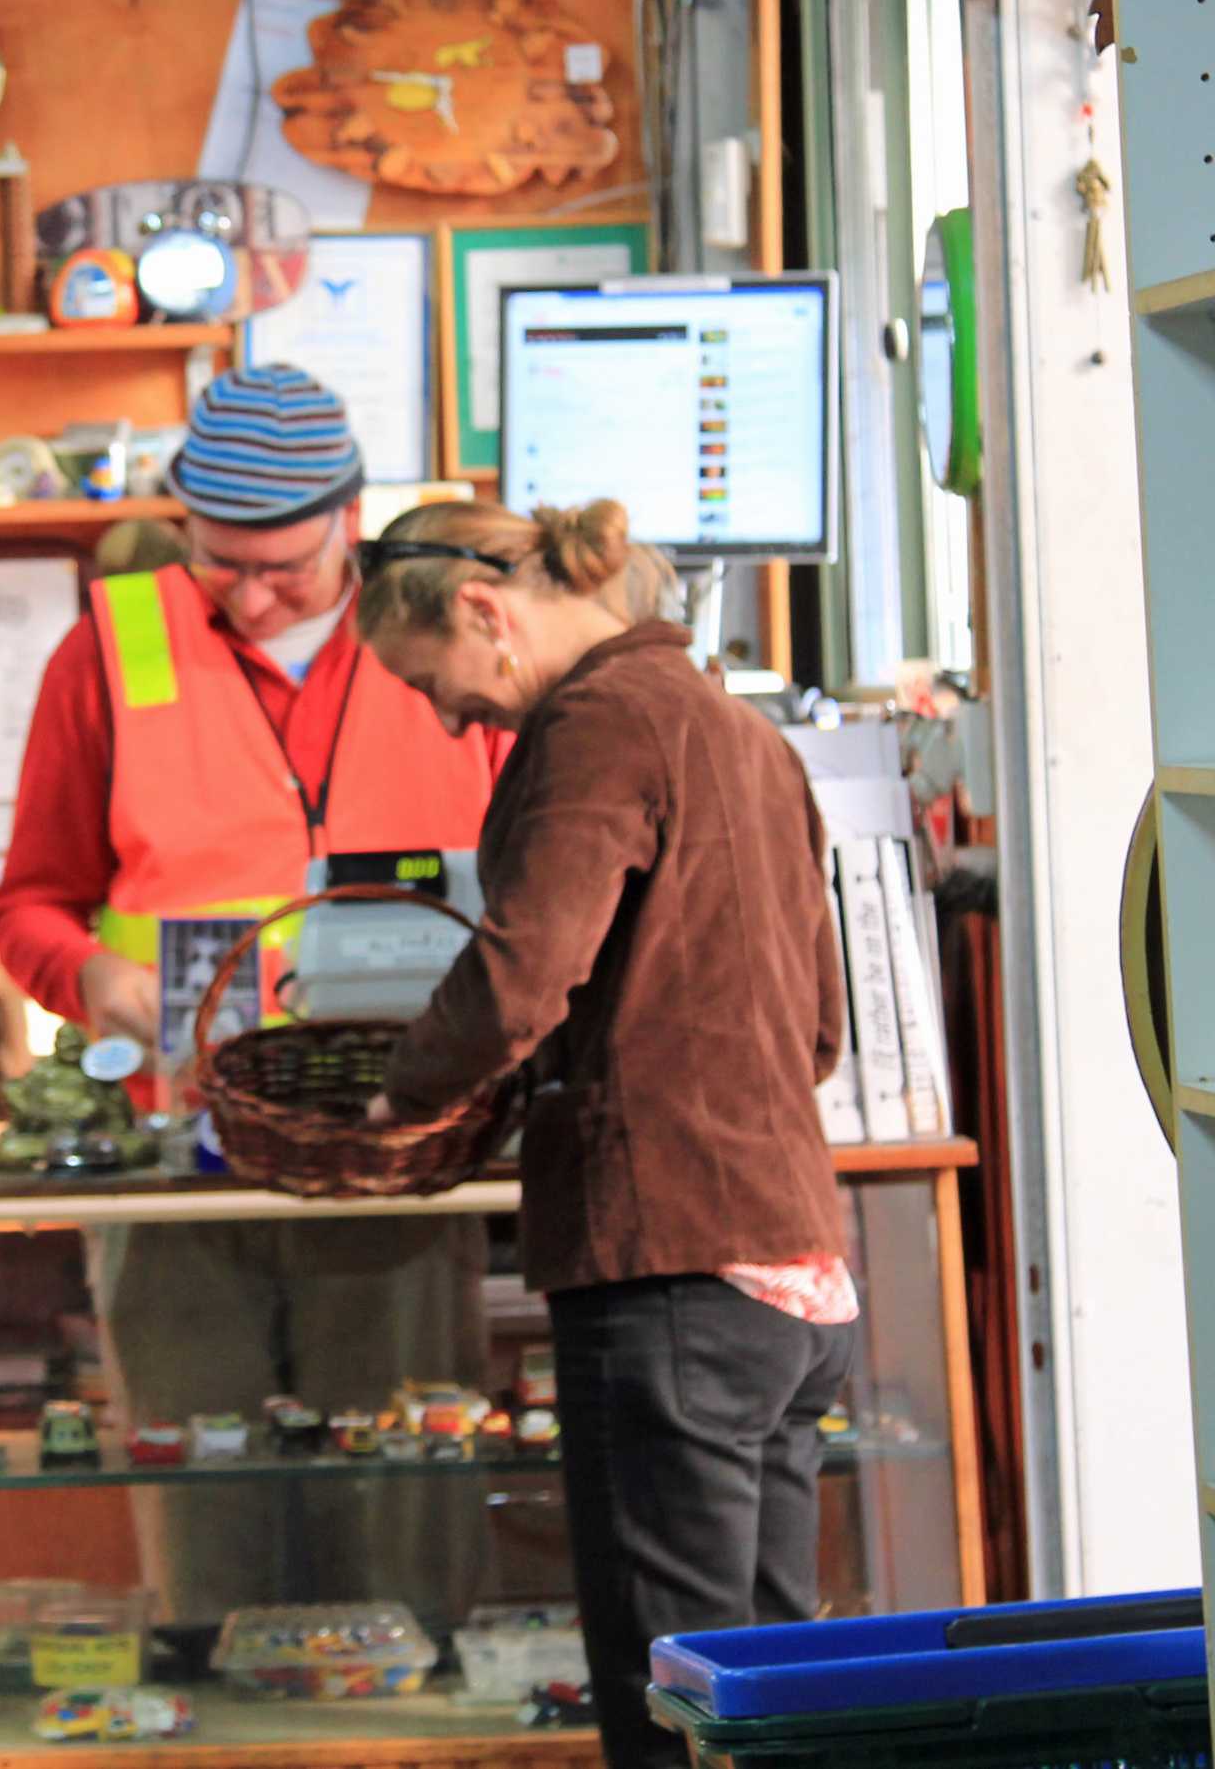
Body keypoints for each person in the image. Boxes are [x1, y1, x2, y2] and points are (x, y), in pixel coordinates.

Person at [0, 363, 505, 1625]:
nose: (254, 594)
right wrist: (97, 979)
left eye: (286, 566)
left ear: (352, 519)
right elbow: (30, 905)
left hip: (404, 1161)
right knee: (207, 1542)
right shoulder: (108, 648)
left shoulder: (452, 642)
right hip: (179, 1177)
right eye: (221, 562)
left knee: (405, 1522)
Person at [354, 497, 856, 1769]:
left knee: (670, 1704)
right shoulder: (744, 731)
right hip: (791, 1270)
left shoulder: (597, 723)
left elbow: (521, 973)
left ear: (484, 608)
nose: (449, 717)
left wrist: (403, 1093)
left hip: (666, 1265)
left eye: (431, 680)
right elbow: (821, 1027)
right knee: (773, 1697)